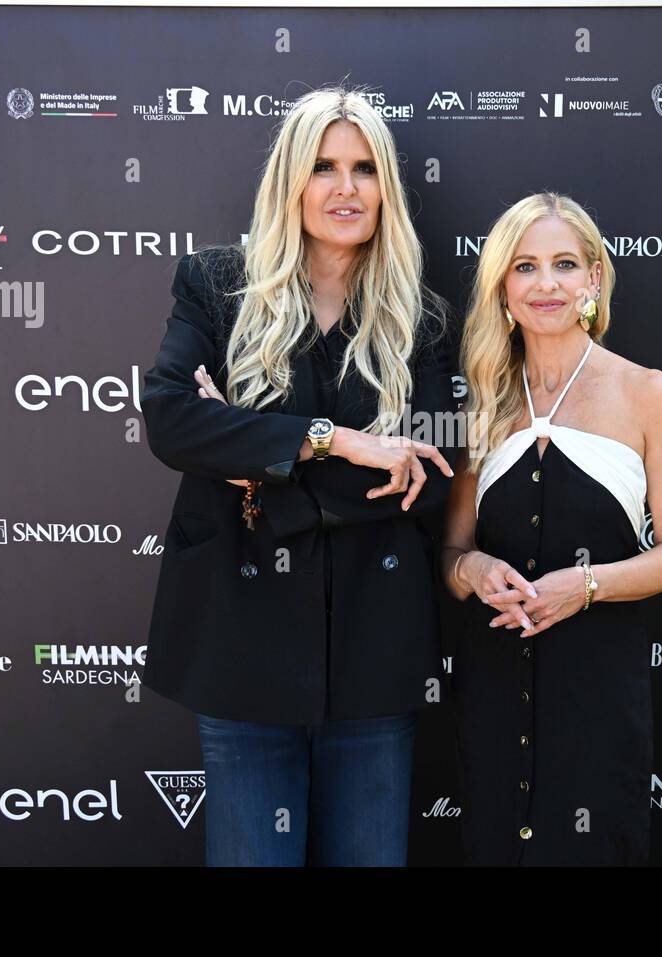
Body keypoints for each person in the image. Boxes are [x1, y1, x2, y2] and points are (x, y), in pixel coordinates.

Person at [140, 86, 460, 867]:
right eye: (323, 166)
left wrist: (250, 459)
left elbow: (421, 477)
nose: (344, 189)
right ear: (290, 179)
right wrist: (339, 440)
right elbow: (173, 422)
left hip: (373, 642)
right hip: (239, 637)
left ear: (387, 187)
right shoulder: (217, 286)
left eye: (363, 169)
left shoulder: (421, 319)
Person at [441, 192, 662, 865]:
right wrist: (470, 571)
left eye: (563, 264)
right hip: (491, 686)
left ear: (593, 278)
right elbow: (453, 549)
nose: (545, 283)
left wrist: (583, 585)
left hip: (597, 690)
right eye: (525, 266)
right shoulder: (483, 399)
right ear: (502, 285)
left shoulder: (649, 394)